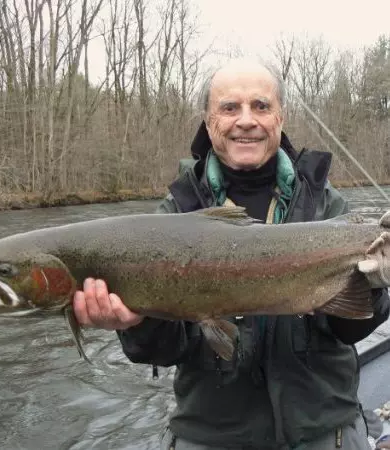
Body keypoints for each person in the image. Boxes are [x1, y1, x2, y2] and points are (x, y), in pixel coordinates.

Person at [73, 58, 390, 449]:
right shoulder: (174, 215)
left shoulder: (328, 207)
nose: (246, 120)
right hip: (211, 434)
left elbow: (350, 328)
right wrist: (135, 324)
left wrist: (374, 288)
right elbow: (164, 350)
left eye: (261, 106)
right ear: (208, 122)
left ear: (280, 117)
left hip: (324, 430)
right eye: (229, 108)